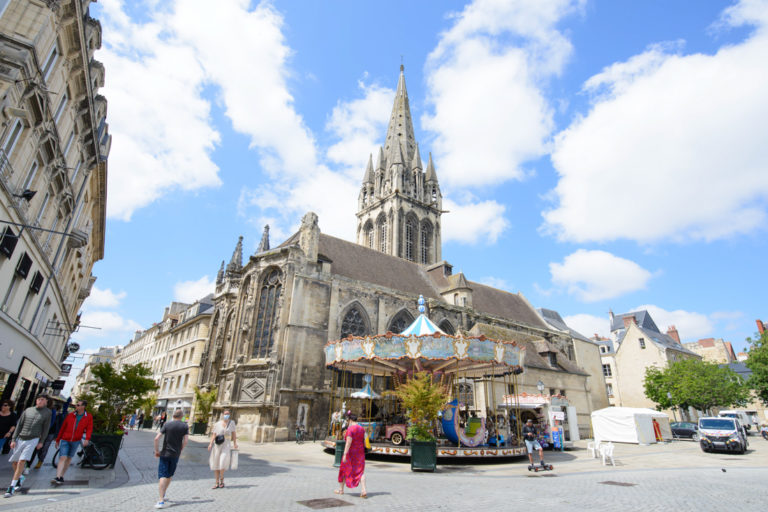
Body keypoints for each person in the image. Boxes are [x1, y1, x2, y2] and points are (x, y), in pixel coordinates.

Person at [4, 395, 51, 498]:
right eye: (38, 399)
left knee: (22, 461)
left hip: (33, 439)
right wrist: (13, 439)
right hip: (20, 438)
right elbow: (19, 425)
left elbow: (45, 428)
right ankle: (20, 477)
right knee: (14, 462)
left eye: (42, 400)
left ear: (46, 402)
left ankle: (11, 487)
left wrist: (41, 441)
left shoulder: (47, 413)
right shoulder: (28, 410)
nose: (39, 401)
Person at [154, 408, 189, 509]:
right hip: (175, 454)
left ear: (173, 416)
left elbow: (156, 438)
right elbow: (186, 440)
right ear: (181, 416)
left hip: (165, 453)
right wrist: (181, 448)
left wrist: (157, 451)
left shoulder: (167, 424)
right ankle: (163, 493)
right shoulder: (184, 426)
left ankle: (161, 500)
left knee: (162, 476)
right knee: (169, 475)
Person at [52, 400, 93, 485]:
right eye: (76, 405)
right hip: (65, 439)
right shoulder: (70, 415)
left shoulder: (88, 417)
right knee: (62, 457)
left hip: (76, 440)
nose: (76, 406)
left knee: (69, 458)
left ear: (83, 407)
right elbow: (63, 427)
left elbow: (89, 428)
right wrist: (58, 439)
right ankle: (58, 476)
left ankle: (62, 476)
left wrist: (87, 439)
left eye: (78, 405)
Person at [335, 412, 367, 498]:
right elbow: (364, 442)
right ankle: (363, 490)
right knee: (360, 471)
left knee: (344, 469)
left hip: (350, 453)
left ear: (350, 420)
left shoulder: (350, 429)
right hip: (360, 453)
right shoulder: (362, 429)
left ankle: (341, 489)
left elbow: (348, 442)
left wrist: (345, 454)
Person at [208, 410, 237, 489]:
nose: (226, 415)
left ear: (230, 415)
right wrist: (210, 444)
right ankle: (217, 482)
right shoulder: (217, 424)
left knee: (222, 462)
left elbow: (234, 434)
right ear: (222, 415)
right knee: (216, 463)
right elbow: (214, 434)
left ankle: (222, 479)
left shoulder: (232, 423)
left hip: (226, 445)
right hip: (218, 445)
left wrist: (235, 443)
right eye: (225, 414)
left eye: (228, 414)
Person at [32, 402, 62, 469]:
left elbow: (59, 425)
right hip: (43, 432)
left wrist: (57, 436)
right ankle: (38, 459)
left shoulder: (59, 416)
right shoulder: (48, 414)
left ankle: (40, 460)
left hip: (51, 433)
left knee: (45, 447)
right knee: (38, 447)